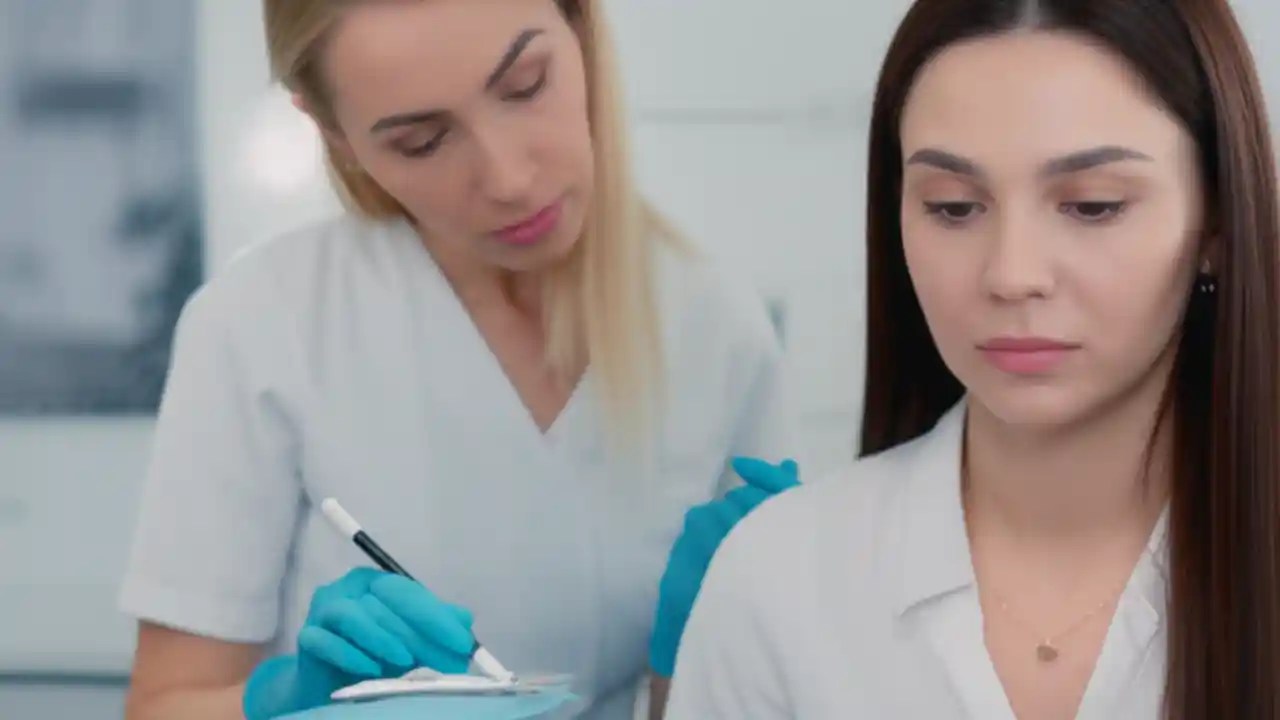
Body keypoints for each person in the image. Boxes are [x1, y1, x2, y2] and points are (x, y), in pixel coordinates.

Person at [117, 1, 800, 718]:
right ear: (338, 137)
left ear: (581, 28)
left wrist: (693, 653)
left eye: (527, 84)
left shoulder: (714, 327)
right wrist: (288, 703)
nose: (506, 178)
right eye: (420, 141)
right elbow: (165, 705)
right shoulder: (261, 325)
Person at [664, 0, 1280, 717]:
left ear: (1216, 224)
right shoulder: (779, 581)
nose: (1012, 273)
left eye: (1093, 205)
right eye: (954, 207)